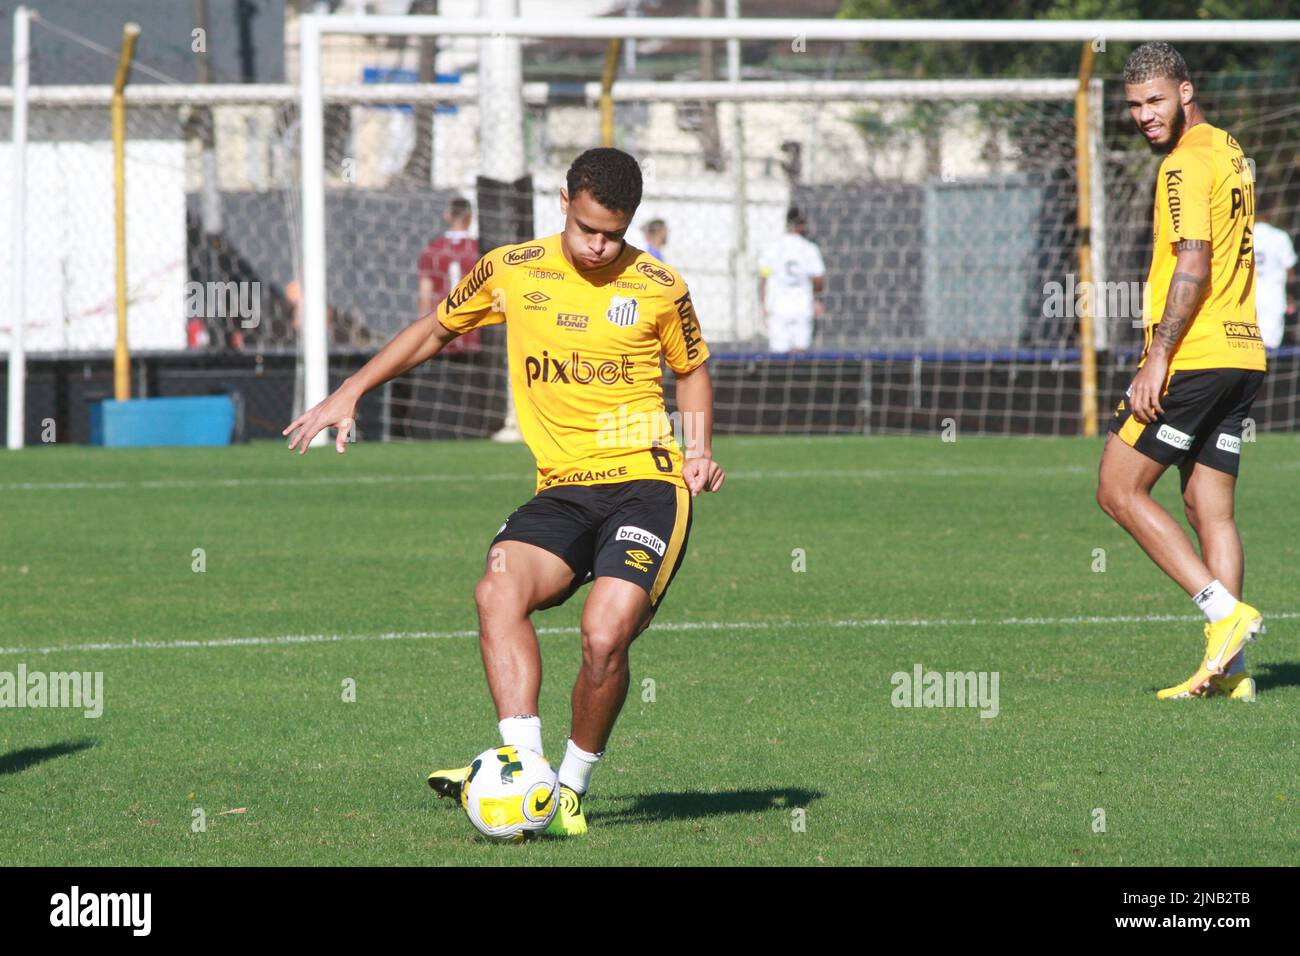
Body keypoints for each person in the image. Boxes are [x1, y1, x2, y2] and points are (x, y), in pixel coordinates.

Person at [283, 147, 725, 835]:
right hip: (563, 490)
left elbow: (691, 368)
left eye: (614, 232)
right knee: (497, 589)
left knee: (605, 636)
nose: (599, 246)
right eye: (586, 229)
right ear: (562, 202)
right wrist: (351, 389)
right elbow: (436, 329)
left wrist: (697, 448)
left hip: (647, 485)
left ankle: (569, 787)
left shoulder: (659, 285)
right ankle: (526, 770)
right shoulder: (511, 270)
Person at [1096, 42, 1266, 701]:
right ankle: (1231, 672)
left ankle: (1223, 614)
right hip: (1244, 351)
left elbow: (1192, 262)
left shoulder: (1182, 165)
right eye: (1135, 105)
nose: (1144, 114)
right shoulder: (1231, 151)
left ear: (1185, 91)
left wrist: (1158, 357)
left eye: (1156, 100)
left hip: (1194, 356)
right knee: (1208, 507)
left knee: (1118, 489)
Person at [417, 197, 481, 354]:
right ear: (471, 218)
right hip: (473, 332)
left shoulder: (433, 249)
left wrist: (421, 337)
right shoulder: (478, 249)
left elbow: (425, 296)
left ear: (448, 216)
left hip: (441, 330)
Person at [758, 206, 825, 353]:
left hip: (778, 307)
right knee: (800, 355)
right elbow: (818, 278)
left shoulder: (772, 248)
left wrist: (762, 304)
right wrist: (817, 299)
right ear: (802, 225)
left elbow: (763, 277)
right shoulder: (809, 249)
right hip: (802, 307)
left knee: (778, 355)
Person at [1252, 205, 1296, 349]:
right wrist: (1290, 295)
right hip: (1273, 297)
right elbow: (1290, 271)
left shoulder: (1243, 236)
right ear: (1270, 214)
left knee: (1250, 344)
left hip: (1248, 297)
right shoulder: (1279, 237)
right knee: (1270, 347)